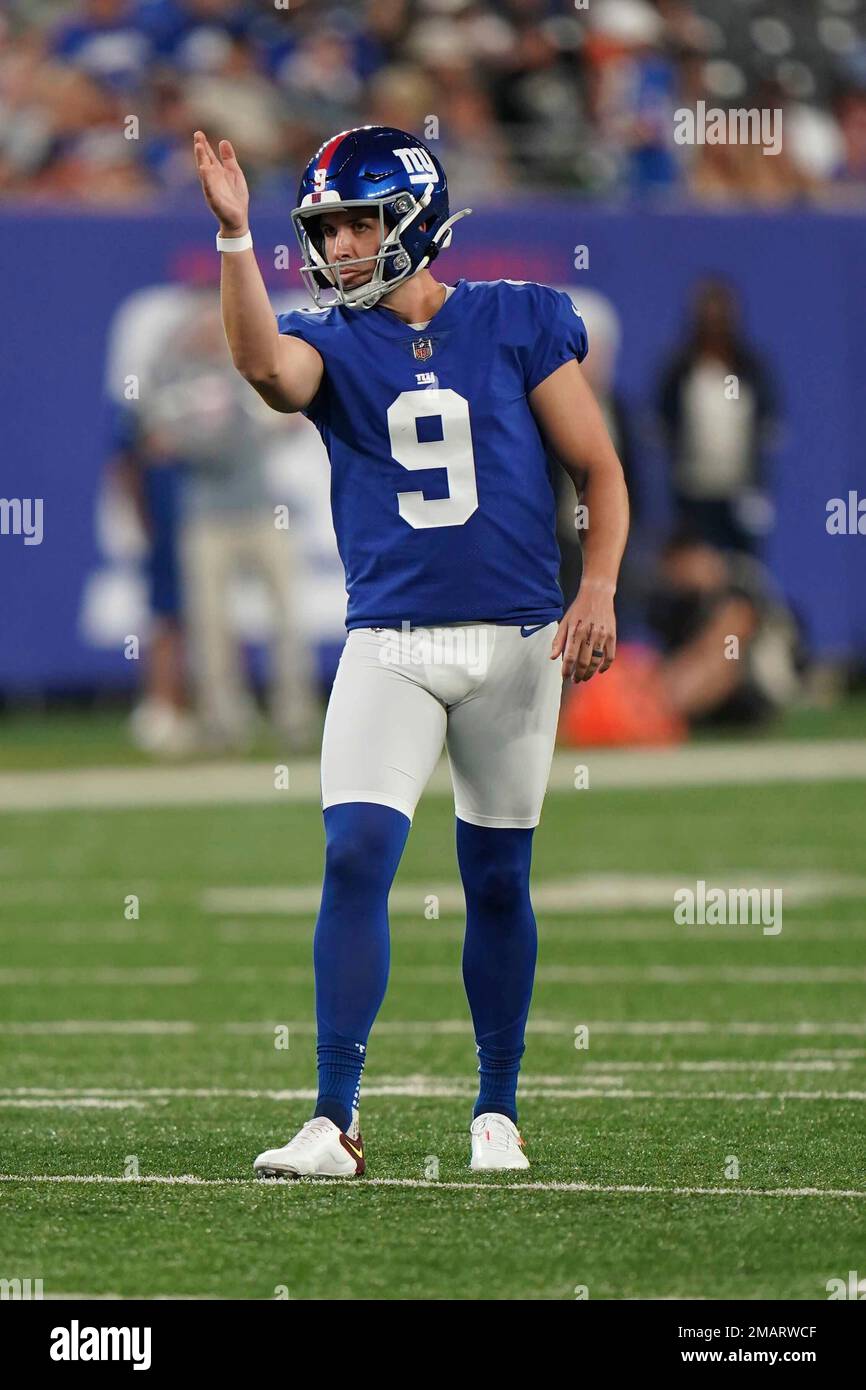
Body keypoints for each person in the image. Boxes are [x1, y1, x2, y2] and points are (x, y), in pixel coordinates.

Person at [193, 123, 630, 1177]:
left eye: (354, 222)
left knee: (495, 878)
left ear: (414, 219)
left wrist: (601, 586)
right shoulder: (331, 342)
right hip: (388, 640)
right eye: (325, 227)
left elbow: (599, 470)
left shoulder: (516, 320)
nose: (337, 245)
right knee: (353, 857)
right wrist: (234, 240)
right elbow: (261, 364)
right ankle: (331, 1118)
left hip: (517, 640)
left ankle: (496, 1108)